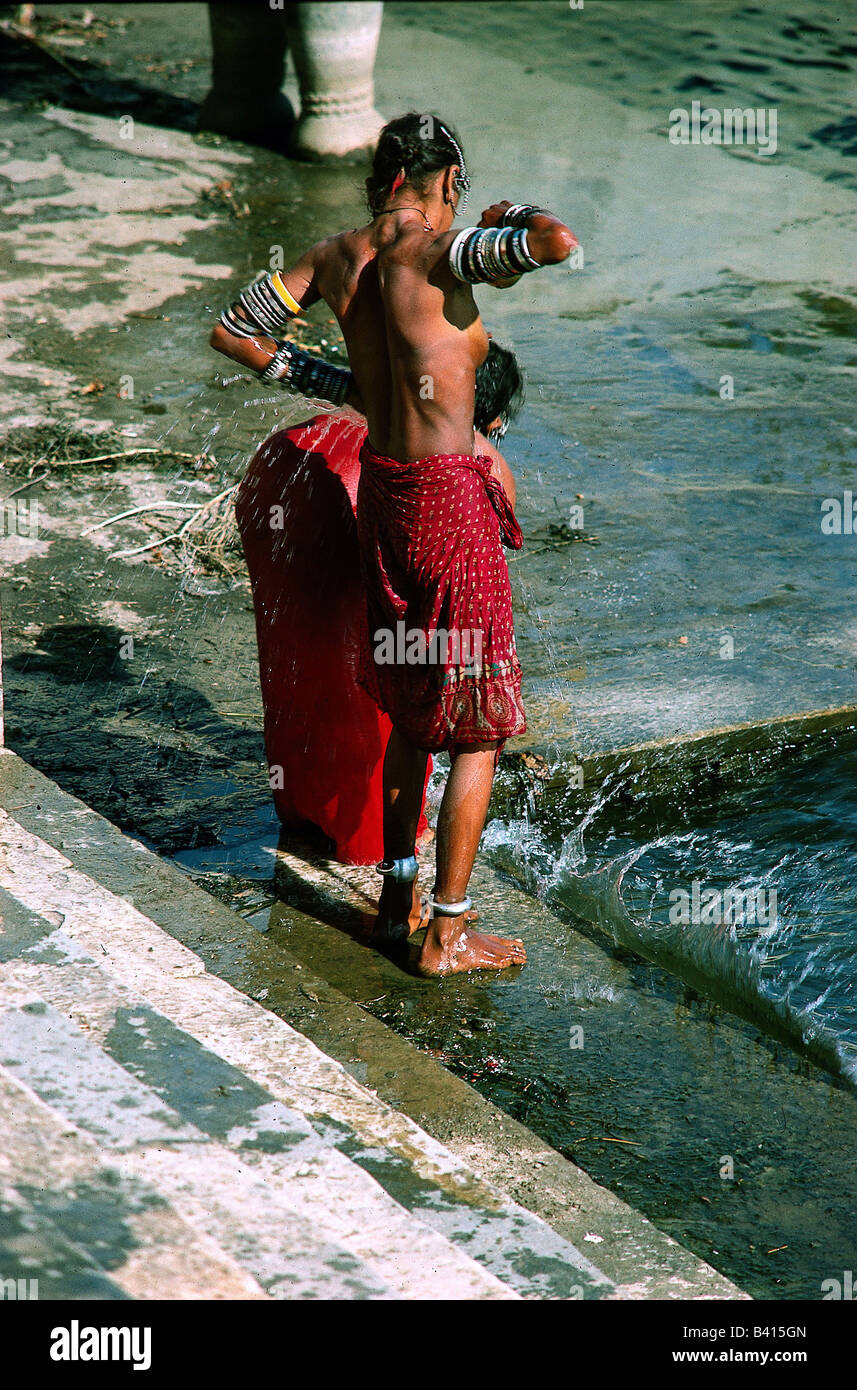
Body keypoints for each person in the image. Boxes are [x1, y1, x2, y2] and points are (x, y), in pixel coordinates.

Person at [212, 112, 576, 975]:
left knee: (412, 708)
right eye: (460, 190)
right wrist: (511, 217)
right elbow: (558, 243)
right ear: (446, 180)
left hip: (383, 490)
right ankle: (446, 935)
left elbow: (235, 330)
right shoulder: (437, 252)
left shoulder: (337, 255)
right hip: (447, 494)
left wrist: (335, 381)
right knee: (478, 730)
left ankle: (394, 906)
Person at [234, 342, 524, 875]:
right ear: (496, 417)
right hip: (370, 503)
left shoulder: (380, 414)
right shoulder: (476, 455)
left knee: (314, 657)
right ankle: (391, 863)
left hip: (287, 465)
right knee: (442, 721)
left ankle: (306, 806)